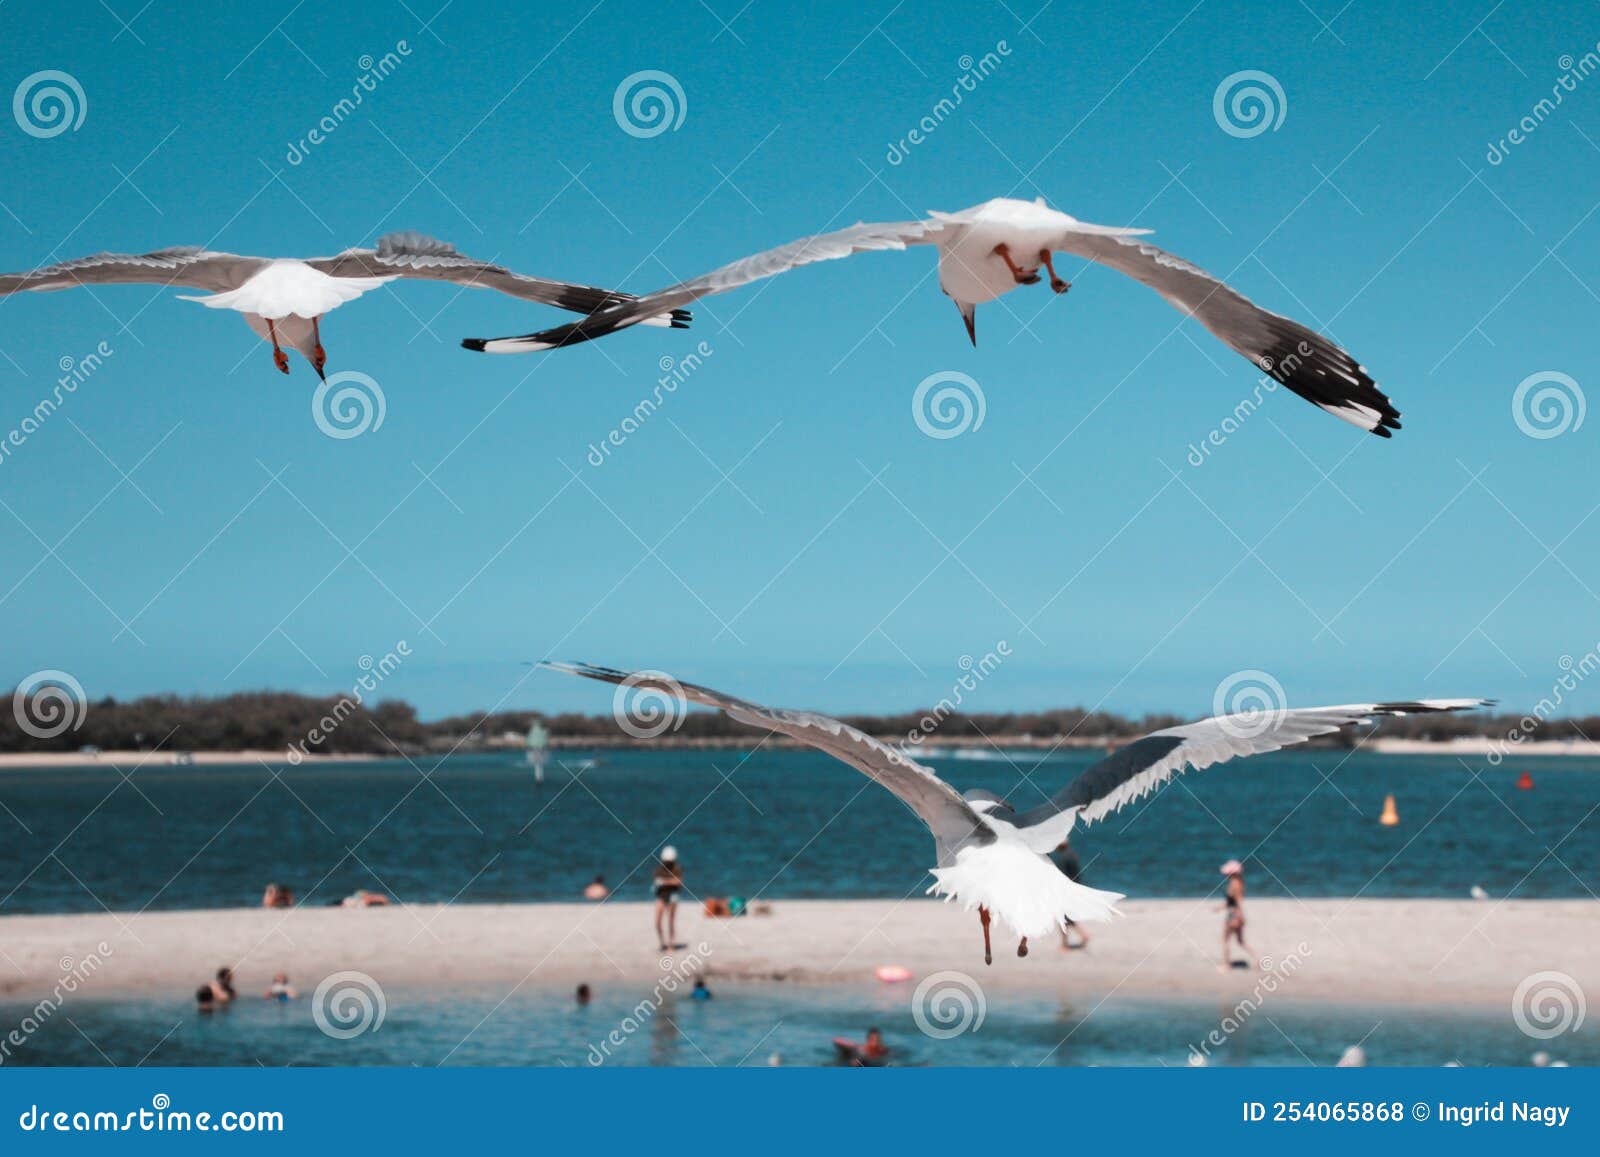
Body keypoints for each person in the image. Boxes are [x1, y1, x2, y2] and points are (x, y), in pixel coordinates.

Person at [1217, 859, 1257, 968]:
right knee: (1240, 941)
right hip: (1235, 914)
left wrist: (1240, 916)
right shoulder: (1238, 883)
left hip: (1233, 915)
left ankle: (1226, 965)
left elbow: (1238, 902)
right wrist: (1220, 908)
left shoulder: (1235, 884)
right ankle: (1257, 959)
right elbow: (1231, 902)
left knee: (1225, 940)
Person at [1052, 841, 1091, 950]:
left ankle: (1065, 944)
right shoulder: (1072, 854)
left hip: (1066, 892)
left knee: (1062, 918)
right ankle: (1083, 935)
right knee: (1067, 917)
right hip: (1072, 890)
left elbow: (1061, 878)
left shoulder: (1064, 858)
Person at [652, 847, 683, 951]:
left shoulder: (676, 868)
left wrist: (664, 882)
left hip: (673, 895)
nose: (668, 863)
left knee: (670, 920)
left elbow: (678, 881)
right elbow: (656, 882)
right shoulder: (659, 869)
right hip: (661, 896)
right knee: (657, 921)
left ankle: (671, 944)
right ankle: (662, 943)